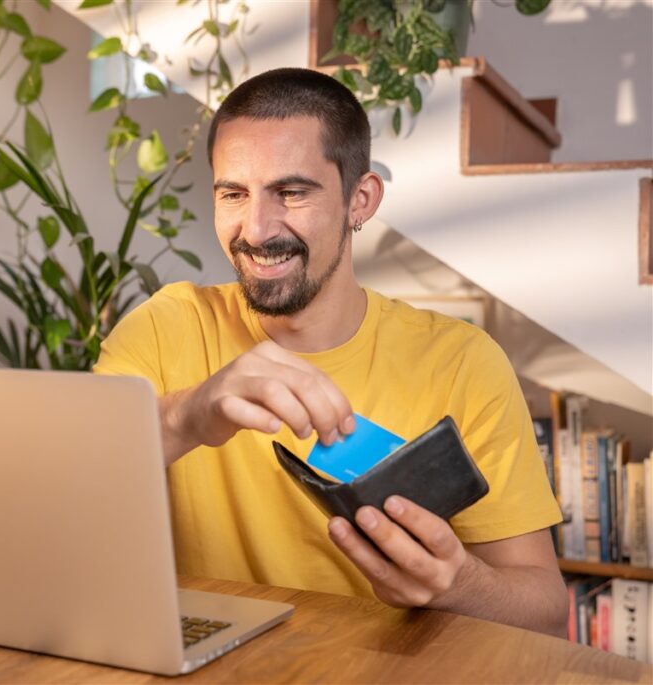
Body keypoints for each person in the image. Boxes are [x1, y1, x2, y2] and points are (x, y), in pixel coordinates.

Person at [93, 68, 568, 636]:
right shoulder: (169, 326)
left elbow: (544, 608)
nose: (257, 228)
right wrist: (189, 413)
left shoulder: (463, 360)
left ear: (359, 200)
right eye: (233, 194)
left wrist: (457, 584)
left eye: (291, 193)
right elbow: (61, 478)